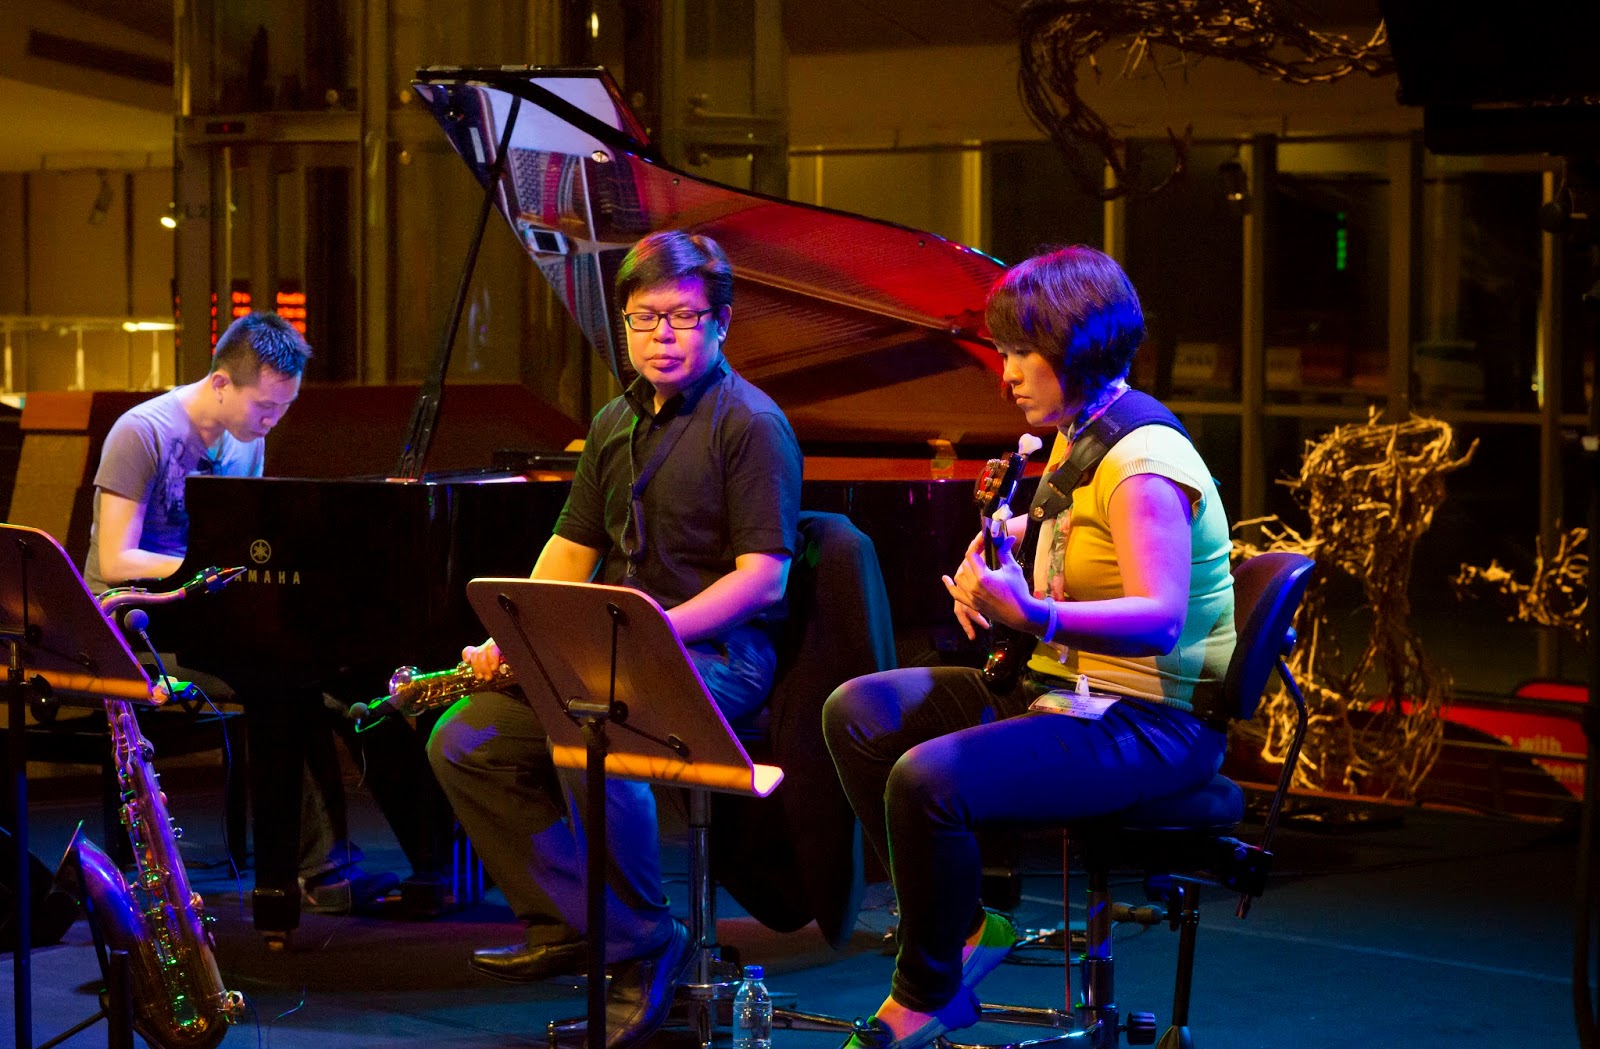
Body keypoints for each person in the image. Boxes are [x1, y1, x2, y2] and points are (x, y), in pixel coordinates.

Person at [821, 245, 1236, 1049]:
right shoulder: (1082, 434)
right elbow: (1066, 534)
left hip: (1151, 720)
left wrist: (1032, 611)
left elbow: (1156, 615)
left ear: (1075, 351)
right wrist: (998, 553)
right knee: (860, 711)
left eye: (1020, 351)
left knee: (928, 777)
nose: (1004, 370)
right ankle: (967, 929)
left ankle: (926, 987)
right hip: (1069, 688)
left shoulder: (1143, 460)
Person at [427, 229, 803, 1049]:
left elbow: (763, 578)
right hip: (615, 653)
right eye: (642, 319)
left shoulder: (751, 424)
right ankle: (582, 922)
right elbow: (569, 552)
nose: (660, 336)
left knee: (592, 729)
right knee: (465, 739)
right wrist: (513, 636)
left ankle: (636, 948)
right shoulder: (613, 420)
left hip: (718, 656)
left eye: (680, 318)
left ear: (721, 322)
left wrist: (656, 631)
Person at [84, 311, 396, 913]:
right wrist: (209, 573)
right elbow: (116, 560)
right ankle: (314, 870)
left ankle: (322, 866)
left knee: (308, 670)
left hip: (201, 610)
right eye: (265, 409)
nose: (272, 422)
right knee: (279, 678)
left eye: (283, 409)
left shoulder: (244, 437)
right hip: (129, 618)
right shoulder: (140, 432)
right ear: (222, 384)